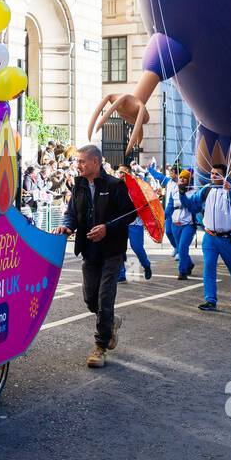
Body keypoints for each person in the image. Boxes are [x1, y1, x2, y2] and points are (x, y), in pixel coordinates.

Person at [58, 144, 134, 369]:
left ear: (95, 163)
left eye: (82, 161)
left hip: (112, 251)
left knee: (104, 298)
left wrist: (107, 228)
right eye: (77, 161)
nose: (77, 165)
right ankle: (111, 322)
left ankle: (100, 346)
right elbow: (72, 213)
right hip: (89, 250)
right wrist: (66, 226)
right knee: (90, 299)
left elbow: (129, 215)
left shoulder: (115, 185)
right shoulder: (79, 185)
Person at [190, 163, 231, 311]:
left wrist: (230, 191)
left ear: (224, 176)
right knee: (209, 268)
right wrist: (181, 192)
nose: (213, 176)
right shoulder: (207, 189)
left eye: (217, 174)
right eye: (212, 173)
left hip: (228, 238)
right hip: (209, 237)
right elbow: (192, 203)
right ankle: (210, 300)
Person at [115, 165, 152, 282]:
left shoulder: (137, 187)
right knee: (119, 248)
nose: (120, 174)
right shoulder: (115, 186)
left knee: (137, 247)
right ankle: (121, 273)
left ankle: (146, 265)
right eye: (119, 172)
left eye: (123, 172)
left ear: (129, 173)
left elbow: (146, 203)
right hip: (121, 222)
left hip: (135, 223)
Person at [171, 170, 197, 280]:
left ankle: (182, 272)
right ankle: (189, 264)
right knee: (180, 249)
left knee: (182, 247)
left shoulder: (194, 192)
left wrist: (182, 193)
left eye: (185, 178)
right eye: (180, 177)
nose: (181, 179)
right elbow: (170, 205)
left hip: (188, 224)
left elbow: (188, 205)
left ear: (189, 180)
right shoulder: (174, 190)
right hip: (175, 224)